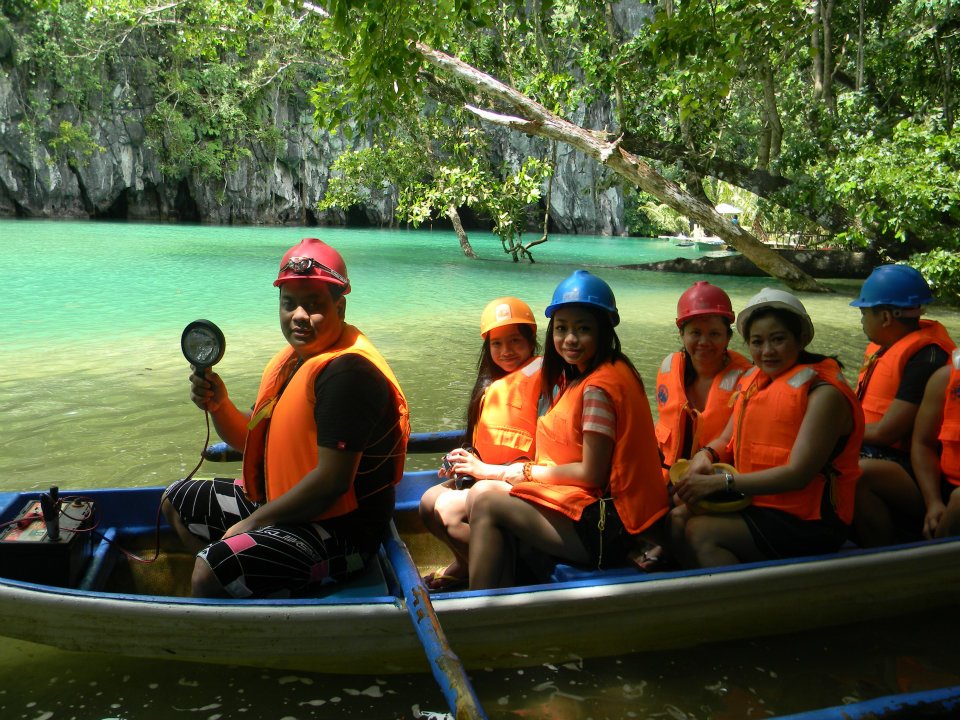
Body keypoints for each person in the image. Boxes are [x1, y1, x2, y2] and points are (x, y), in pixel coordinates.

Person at [161, 238, 409, 598]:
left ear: (340, 307)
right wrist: (220, 404)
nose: (299, 316)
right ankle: (254, 593)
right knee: (176, 500)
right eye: (289, 304)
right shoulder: (297, 358)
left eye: (314, 305)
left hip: (342, 530)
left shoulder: (348, 374)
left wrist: (253, 523)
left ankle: (240, 612)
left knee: (212, 568)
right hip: (287, 504)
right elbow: (252, 438)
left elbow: (332, 483)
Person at [467, 270, 670, 589]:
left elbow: (591, 474)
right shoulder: (608, 369)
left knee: (488, 504)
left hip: (610, 528)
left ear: (603, 331)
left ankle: (478, 606)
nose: (570, 339)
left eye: (583, 329)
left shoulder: (598, 389)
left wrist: (524, 473)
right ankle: (501, 594)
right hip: (605, 514)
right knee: (483, 492)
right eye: (561, 329)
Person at [669, 288, 864, 568]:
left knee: (701, 532)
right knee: (677, 517)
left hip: (809, 518)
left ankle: (740, 604)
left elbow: (798, 474)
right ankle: (693, 589)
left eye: (778, 339)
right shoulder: (755, 380)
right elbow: (728, 435)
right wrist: (705, 456)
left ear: (800, 339)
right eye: (757, 342)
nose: (767, 351)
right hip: (760, 501)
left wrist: (721, 483)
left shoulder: (824, 395)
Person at [418, 297, 543, 591]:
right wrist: (467, 456)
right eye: (497, 344)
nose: (506, 351)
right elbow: (487, 436)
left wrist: (483, 469)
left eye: (515, 340)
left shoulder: (546, 380)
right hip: (488, 473)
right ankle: (467, 564)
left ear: (532, 339)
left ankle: (501, 572)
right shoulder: (493, 382)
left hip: (521, 480)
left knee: (448, 513)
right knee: (426, 503)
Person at [849, 264, 956, 546]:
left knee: (855, 473)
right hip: (883, 452)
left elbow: (887, 432)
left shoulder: (927, 358)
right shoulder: (889, 345)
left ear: (885, 317)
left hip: (910, 467)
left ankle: (880, 554)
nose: (862, 322)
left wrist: (833, 431)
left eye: (864, 313)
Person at [911, 349, 960, 538]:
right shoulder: (944, 379)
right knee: (868, 473)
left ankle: (934, 563)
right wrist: (934, 502)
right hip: (944, 486)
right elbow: (923, 443)